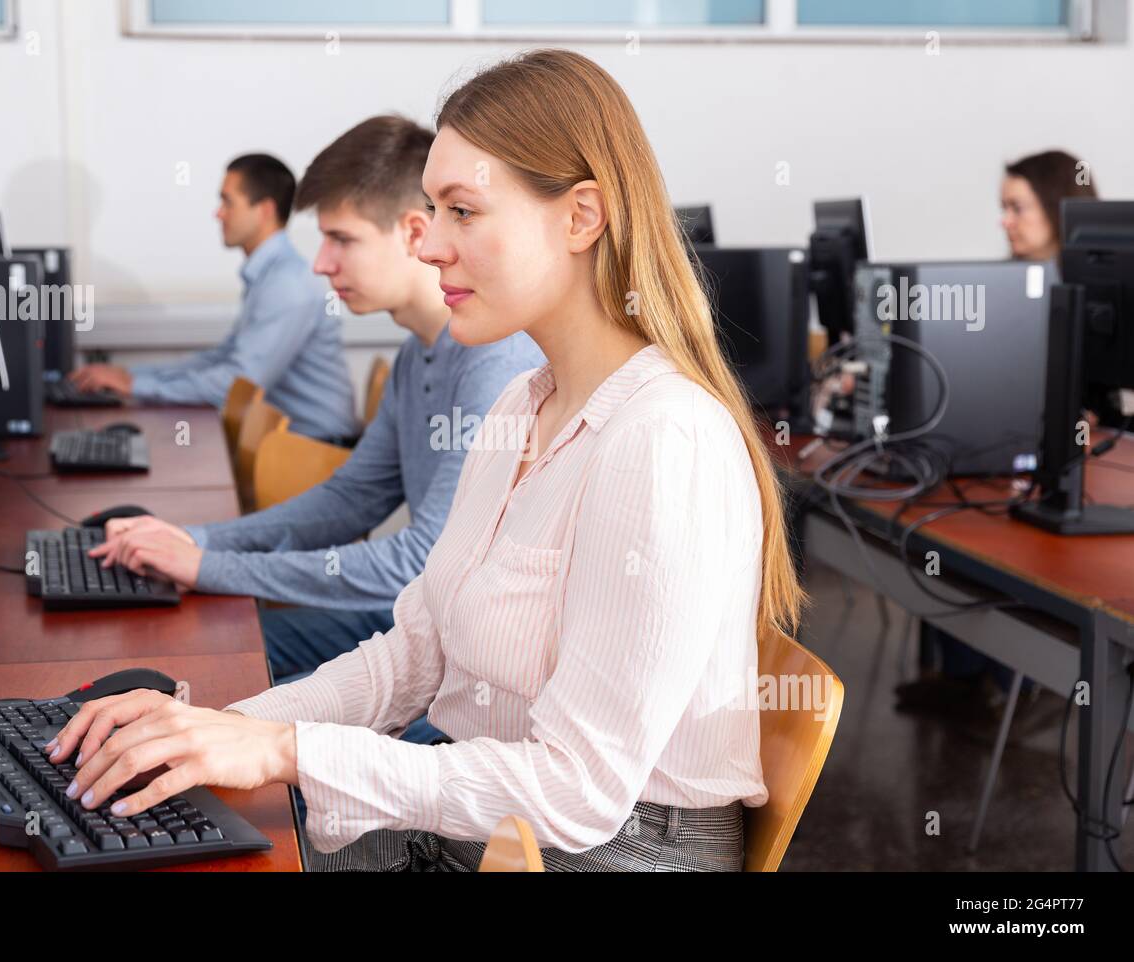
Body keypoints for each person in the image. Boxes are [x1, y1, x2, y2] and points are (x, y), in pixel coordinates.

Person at [47, 49, 804, 872]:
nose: (431, 243)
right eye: (431, 210)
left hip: (606, 850)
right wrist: (233, 727)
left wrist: (283, 753)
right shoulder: (525, 405)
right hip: (498, 815)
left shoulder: (664, 439)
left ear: (582, 216)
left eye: (462, 212)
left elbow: (579, 789)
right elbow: (416, 652)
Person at [87, 116, 544, 744]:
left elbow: (420, 562)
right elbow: (350, 499)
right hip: (420, 629)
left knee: (231, 696)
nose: (321, 264)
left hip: (465, 667)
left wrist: (209, 565)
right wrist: (194, 542)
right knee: (208, 668)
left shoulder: (497, 362)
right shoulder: (421, 352)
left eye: (340, 239)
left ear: (412, 233)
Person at [898, 149, 1100, 718]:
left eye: (1017, 207)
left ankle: (1009, 681)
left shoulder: (1096, 290)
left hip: (1076, 471)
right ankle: (967, 679)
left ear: (1058, 209)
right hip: (1006, 461)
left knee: (985, 544)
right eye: (1002, 207)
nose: (1004, 221)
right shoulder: (1006, 286)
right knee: (948, 536)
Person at [69, 153, 359, 443]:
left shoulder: (287, 285)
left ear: (264, 211)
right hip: (290, 446)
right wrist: (131, 376)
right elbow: (221, 359)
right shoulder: (269, 276)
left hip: (315, 452)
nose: (218, 213)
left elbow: (237, 385)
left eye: (227, 202)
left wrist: (135, 385)